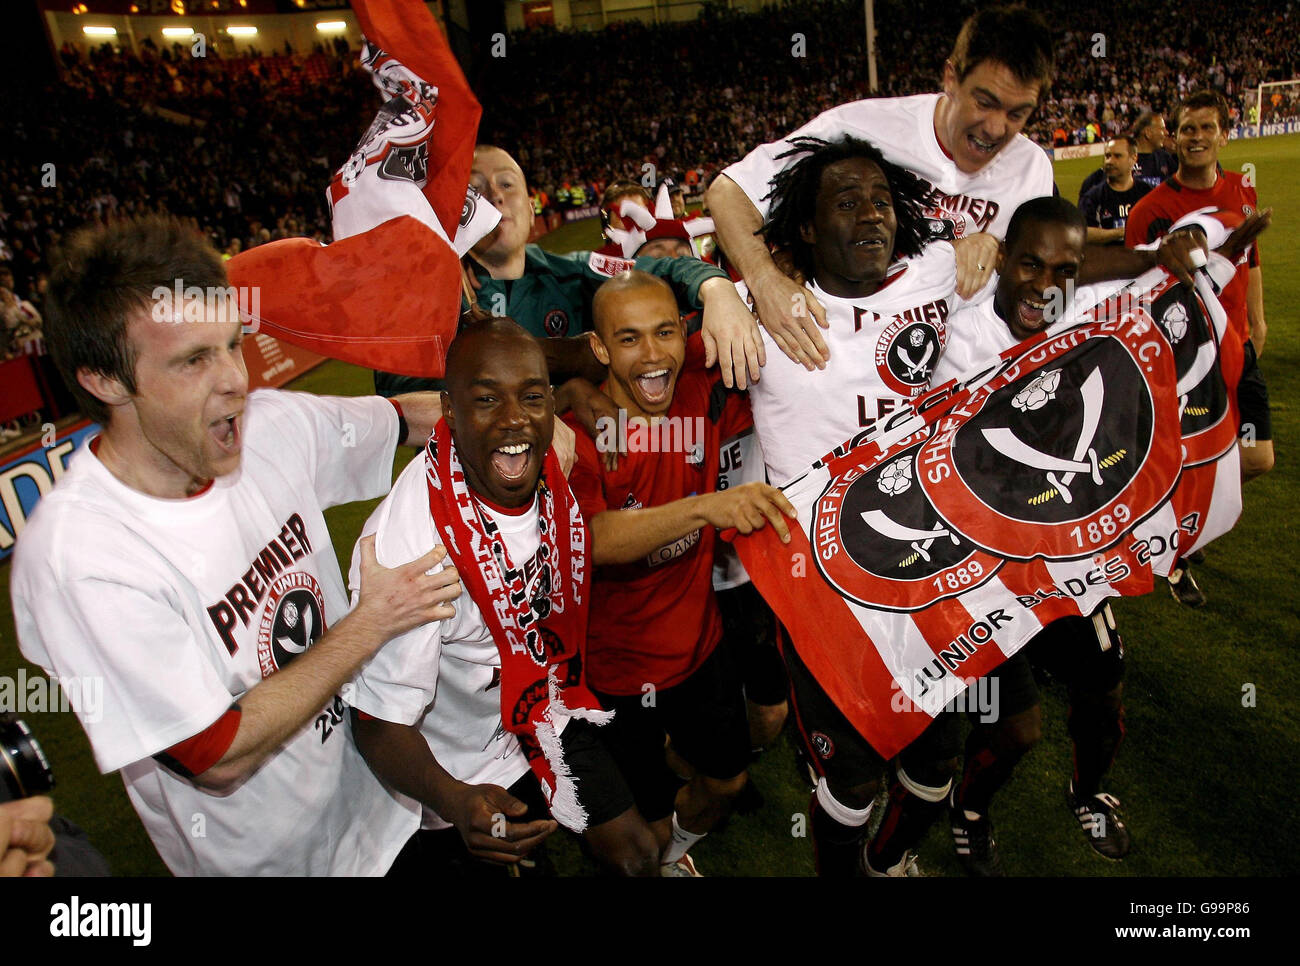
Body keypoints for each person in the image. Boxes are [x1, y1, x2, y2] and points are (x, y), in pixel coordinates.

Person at [11, 216, 461, 875]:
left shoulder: (269, 427)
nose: (237, 380)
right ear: (105, 381)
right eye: (195, 360)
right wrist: (374, 621)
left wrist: (517, 413)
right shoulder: (80, 558)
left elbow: (410, 418)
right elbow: (217, 753)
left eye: (232, 344)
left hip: (388, 804)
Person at [930, 196, 1270, 874]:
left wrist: (1200, 261)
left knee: (1105, 686)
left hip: (1065, 557)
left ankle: (1086, 791)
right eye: (1030, 265)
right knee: (1015, 726)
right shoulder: (965, 340)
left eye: (1064, 272)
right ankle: (969, 812)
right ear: (1002, 261)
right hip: (990, 568)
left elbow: (1191, 242)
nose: (1045, 287)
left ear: (1081, 274)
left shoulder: (1089, 306)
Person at [347, 316, 663, 877]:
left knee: (635, 855)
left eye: (532, 397)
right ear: (447, 410)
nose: (515, 420)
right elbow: (375, 722)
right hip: (457, 767)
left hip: (547, 706)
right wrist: (452, 800)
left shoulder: (551, 465)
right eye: (487, 399)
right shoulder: (413, 552)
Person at [748, 134, 966, 876]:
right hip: (823, 598)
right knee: (852, 779)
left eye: (881, 200)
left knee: (936, 768)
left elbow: (1054, 273)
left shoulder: (935, 282)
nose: (872, 215)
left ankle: (887, 861)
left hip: (929, 576)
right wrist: (715, 289)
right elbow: (630, 338)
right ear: (805, 229)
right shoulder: (763, 314)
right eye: (847, 202)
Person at [564, 271, 796, 875]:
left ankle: (676, 854)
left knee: (725, 783)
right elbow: (591, 540)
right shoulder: (580, 438)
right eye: (629, 339)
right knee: (649, 823)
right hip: (617, 674)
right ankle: (664, 853)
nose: (652, 355)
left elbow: (772, 298)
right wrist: (702, 508)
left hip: (701, 652)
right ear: (599, 350)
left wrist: (718, 290)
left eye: (665, 332)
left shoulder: (692, 379)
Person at [376, 146, 762, 397]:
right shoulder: (433, 297)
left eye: (506, 185)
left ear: (531, 208)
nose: (494, 196)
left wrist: (714, 286)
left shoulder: (575, 271)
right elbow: (399, 395)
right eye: (474, 190)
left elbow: (660, 269)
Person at [1126, 89, 1272, 608]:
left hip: (1236, 344)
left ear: (1224, 135)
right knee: (1186, 457)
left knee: (1258, 457)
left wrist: (1257, 316)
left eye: (1206, 128)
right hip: (1187, 359)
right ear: (1175, 136)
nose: (1195, 138)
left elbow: (1250, 259)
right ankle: (1175, 557)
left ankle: (1190, 523)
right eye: (1187, 128)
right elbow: (1132, 287)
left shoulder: (1241, 191)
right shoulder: (1150, 210)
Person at [1078, 136, 1155, 245]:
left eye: (1117, 156)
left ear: (1133, 158)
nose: (1110, 161)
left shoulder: (1147, 193)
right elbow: (1082, 233)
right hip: (1107, 260)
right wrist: (1120, 232)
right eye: (1108, 156)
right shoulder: (1092, 197)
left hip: (1143, 259)